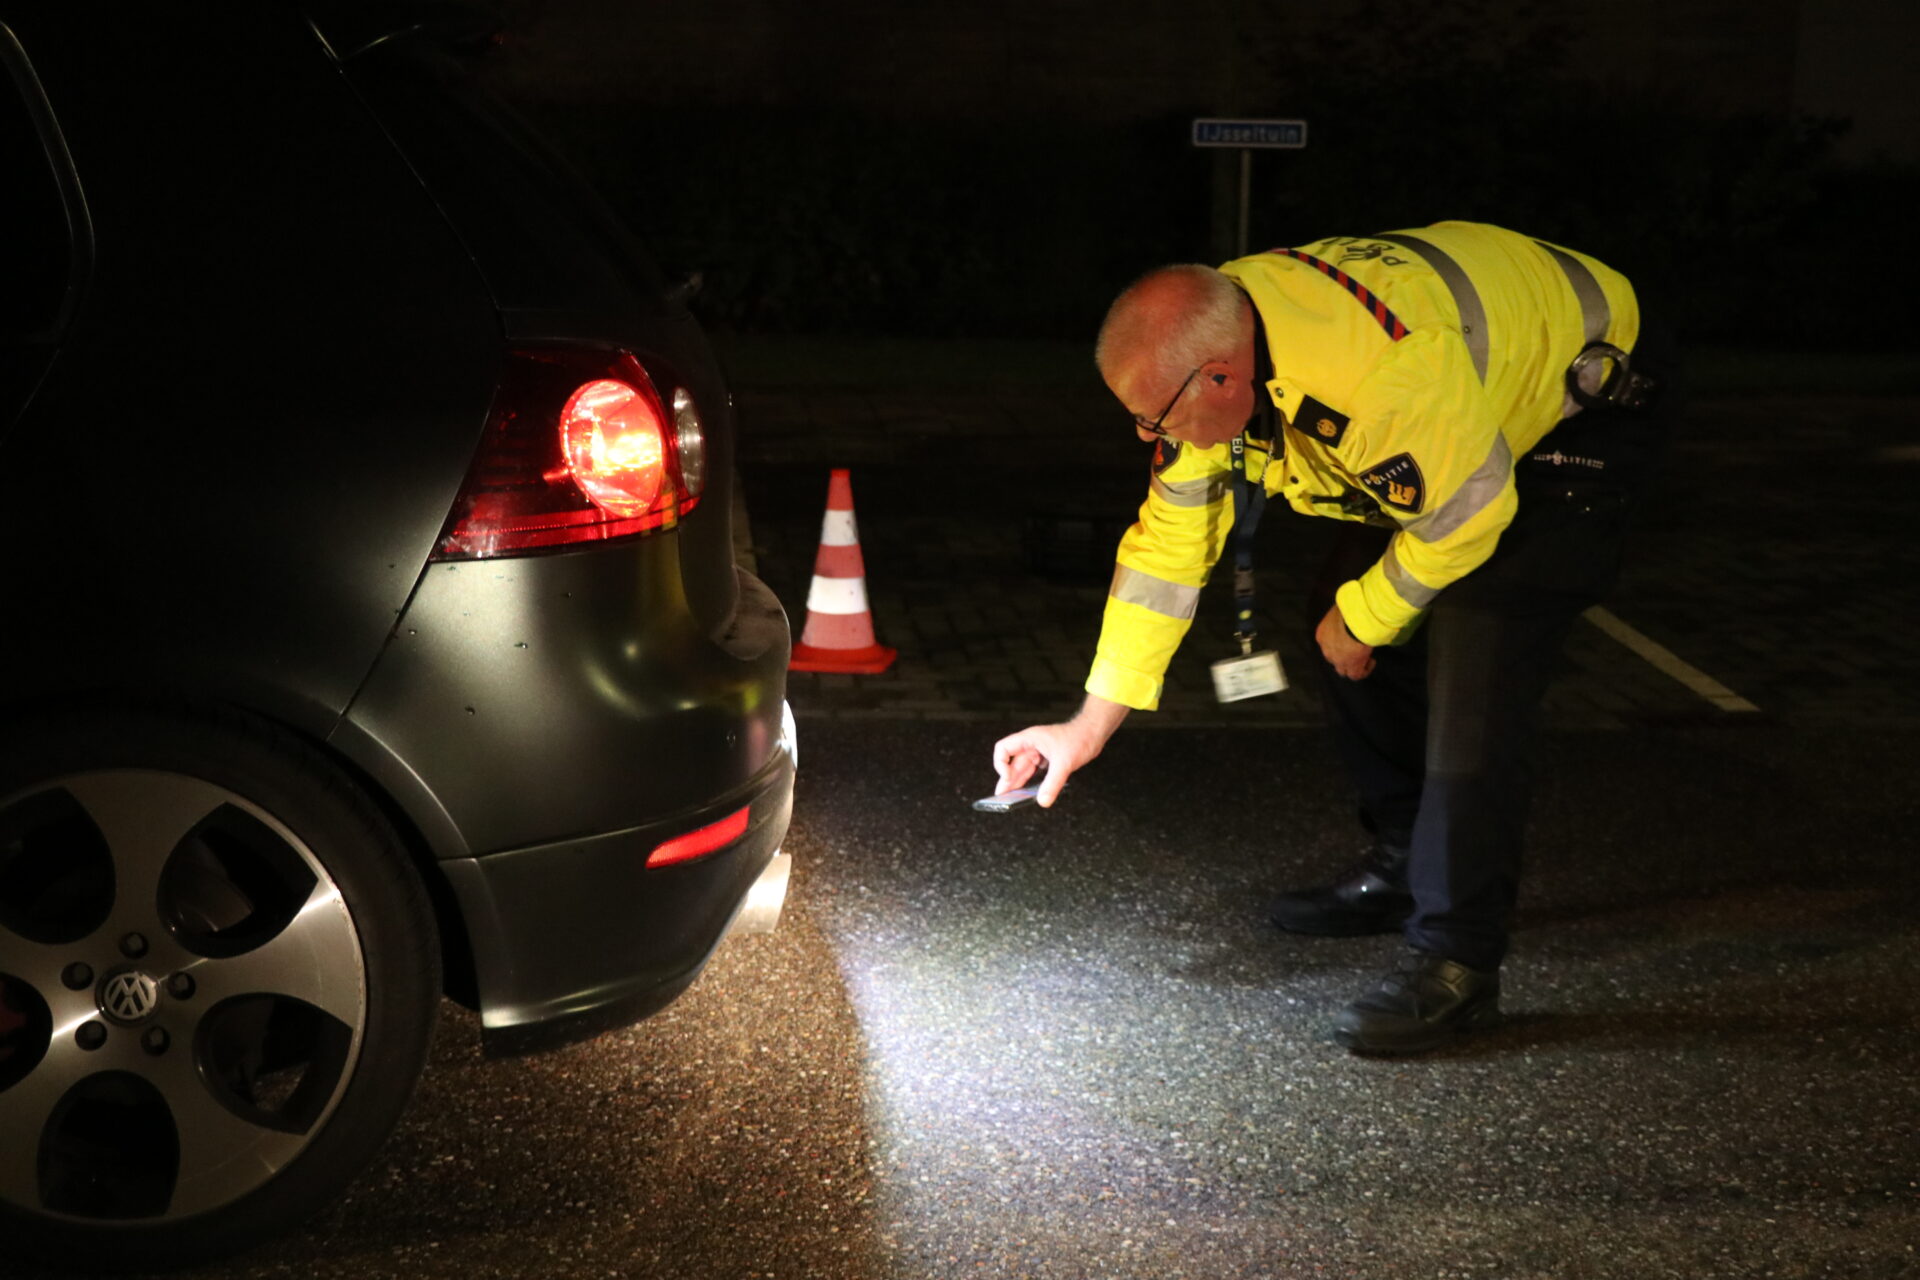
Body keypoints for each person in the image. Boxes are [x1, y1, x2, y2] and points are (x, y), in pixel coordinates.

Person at [990, 221, 1674, 1054]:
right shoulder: (1216, 339)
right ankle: (1404, 864)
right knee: (1343, 619)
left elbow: (1470, 512)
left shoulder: (1376, 378)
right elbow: (1167, 553)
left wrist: (1370, 612)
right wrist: (1086, 726)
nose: (1150, 438)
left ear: (1220, 375)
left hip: (1584, 394)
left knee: (1474, 650)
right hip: (1454, 409)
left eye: (1153, 418)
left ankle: (1457, 964)